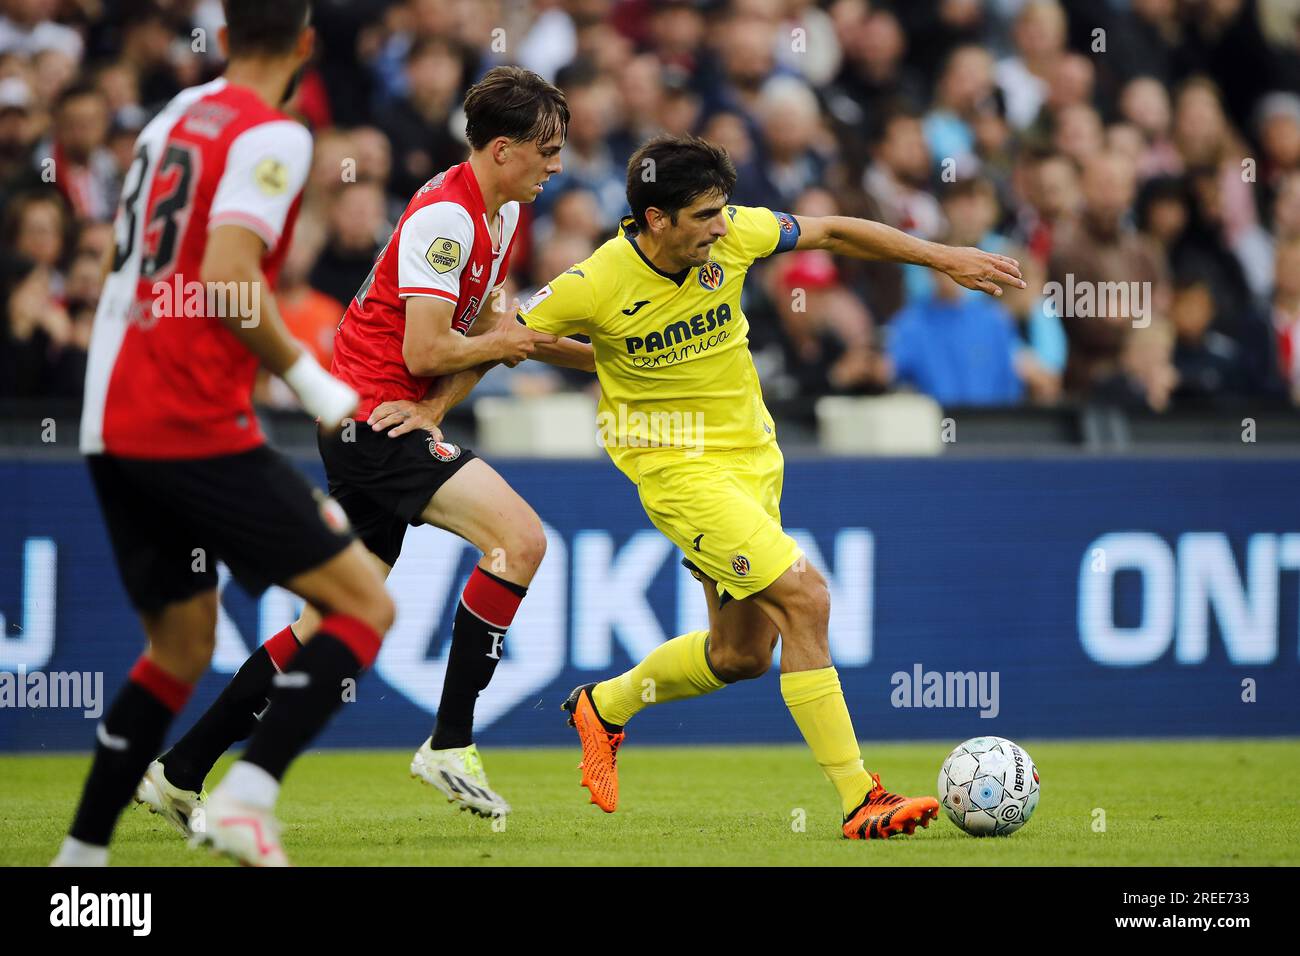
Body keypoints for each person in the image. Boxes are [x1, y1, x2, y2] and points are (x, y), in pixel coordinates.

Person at [449, 135, 1023, 838]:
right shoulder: (593, 284)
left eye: (723, 211)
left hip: (754, 463)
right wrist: (426, 411)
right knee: (807, 597)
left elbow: (835, 230)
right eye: (705, 215)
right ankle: (858, 797)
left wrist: (943, 256)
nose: (723, 226)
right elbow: (510, 339)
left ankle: (605, 705)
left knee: (742, 656)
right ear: (656, 218)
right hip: (679, 474)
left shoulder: (736, 236)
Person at [136, 65, 592, 830]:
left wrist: (442, 404)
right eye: (547, 150)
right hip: (365, 419)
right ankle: (450, 742)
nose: (557, 164)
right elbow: (428, 347)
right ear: (503, 149)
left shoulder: (502, 216)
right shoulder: (446, 220)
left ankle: (180, 770)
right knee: (518, 540)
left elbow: (471, 347)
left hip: (388, 417)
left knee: (332, 621)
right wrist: (496, 351)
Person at [54, 0, 394, 868]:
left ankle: (81, 864)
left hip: (110, 415)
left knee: (179, 648)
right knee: (364, 603)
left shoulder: (173, 116)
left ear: (230, 37)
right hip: (189, 420)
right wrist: (314, 380)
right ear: (308, 47)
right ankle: (247, 798)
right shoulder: (272, 134)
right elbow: (228, 280)